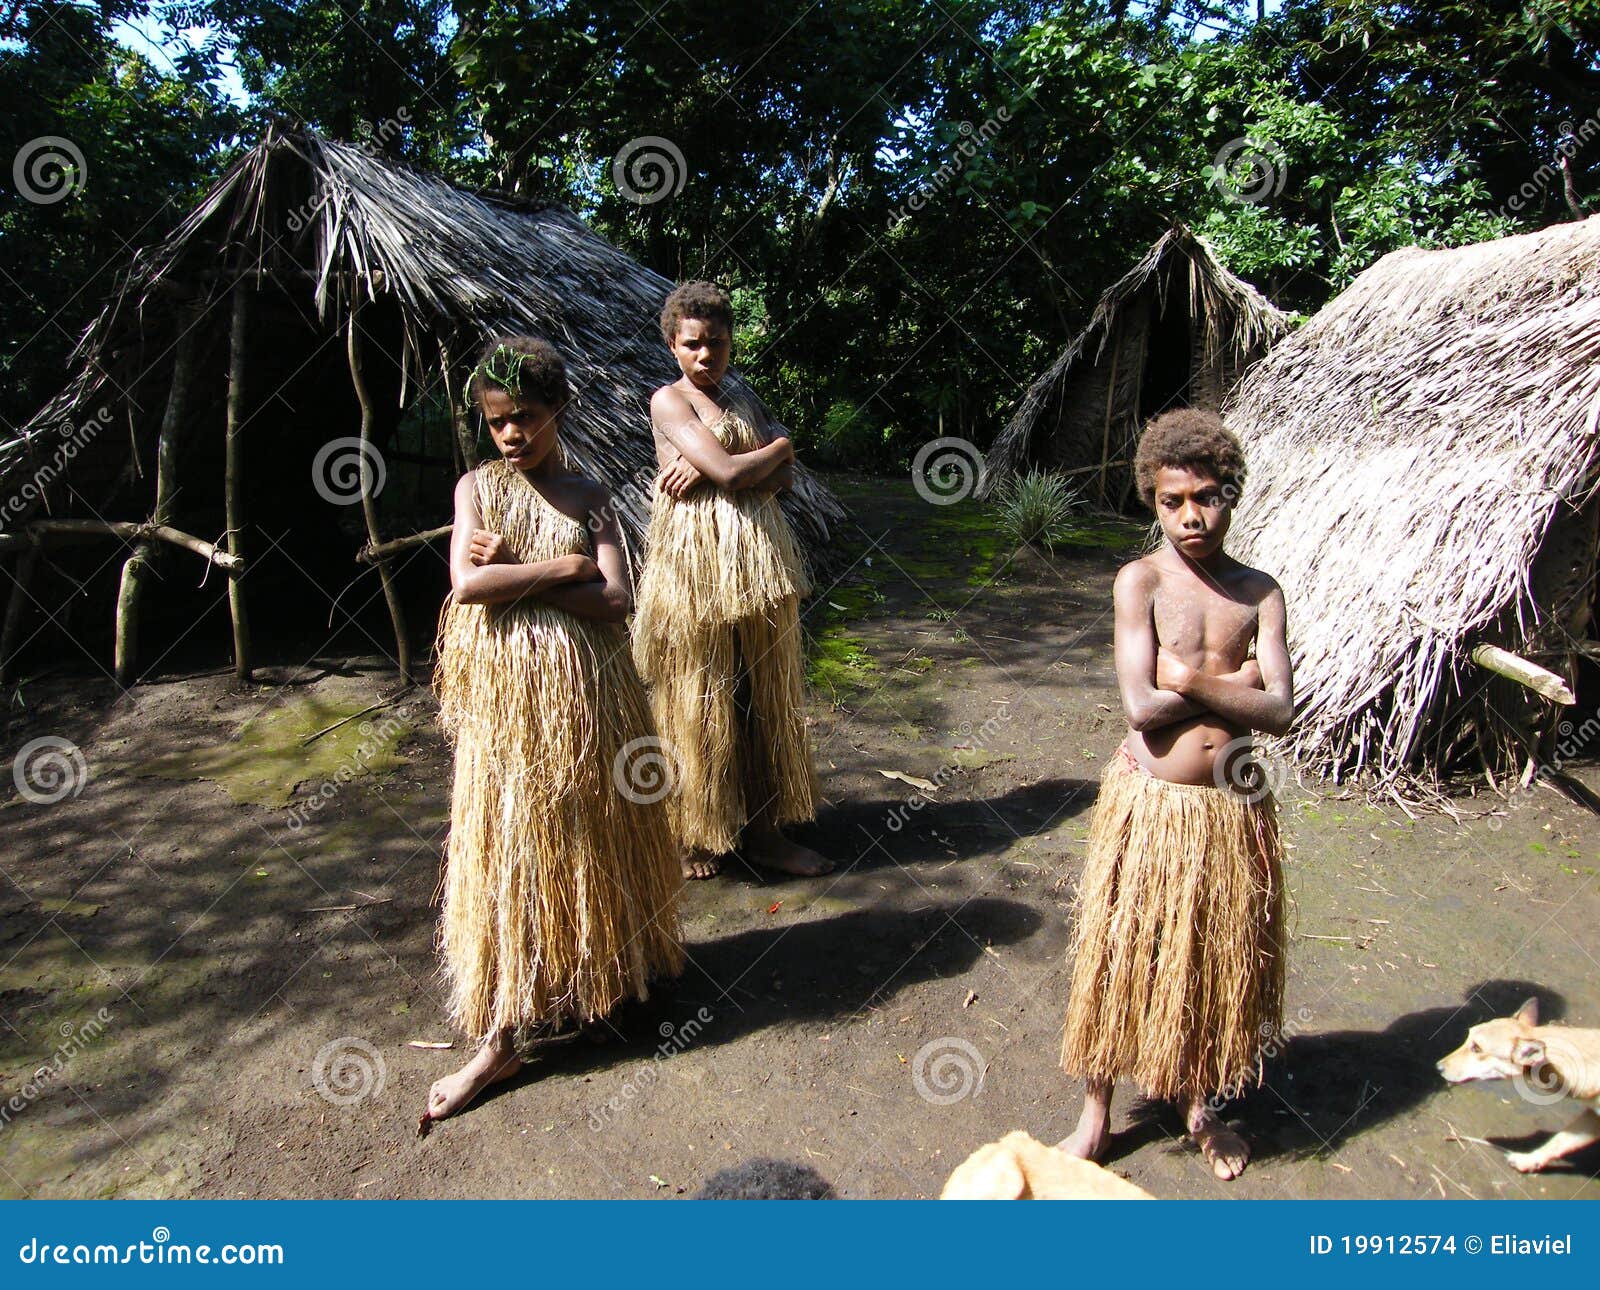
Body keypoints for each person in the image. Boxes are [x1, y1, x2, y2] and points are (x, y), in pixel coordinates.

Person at [424, 336, 683, 1125]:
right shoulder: (476, 489)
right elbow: (469, 585)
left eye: (526, 418)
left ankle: (598, 979)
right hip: (509, 710)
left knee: (589, 840)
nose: (511, 435)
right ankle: (501, 1037)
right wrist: (562, 568)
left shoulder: (590, 494)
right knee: (513, 851)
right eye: (497, 421)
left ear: (557, 410)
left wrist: (527, 575)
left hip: (590, 700)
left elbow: (616, 600)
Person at [1056, 408, 1294, 1180]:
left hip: (1229, 810)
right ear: (1151, 501)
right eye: (1172, 501)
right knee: (1122, 952)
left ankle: (1199, 1105)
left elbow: (1282, 711)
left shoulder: (1259, 593)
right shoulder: (1142, 582)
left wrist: (1187, 677)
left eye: (1208, 497)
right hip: (1152, 808)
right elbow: (1143, 708)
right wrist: (1233, 682)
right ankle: (1096, 1112)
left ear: (1233, 493)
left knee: (1208, 956)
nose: (1192, 516)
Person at [631, 281, 831, 880]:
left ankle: (766, 832)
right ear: (673, 345)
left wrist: (770, 455)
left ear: (730, 344)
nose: (705, 356)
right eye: (693, 344)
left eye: (716, 344)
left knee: (762, 695)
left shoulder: (743, 402)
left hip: (758, 565)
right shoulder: (669, 400)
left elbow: (780, 483)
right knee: (698, 696)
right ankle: (695, 832)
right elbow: (731, 470)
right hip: (694, 567)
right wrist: (761, 457)